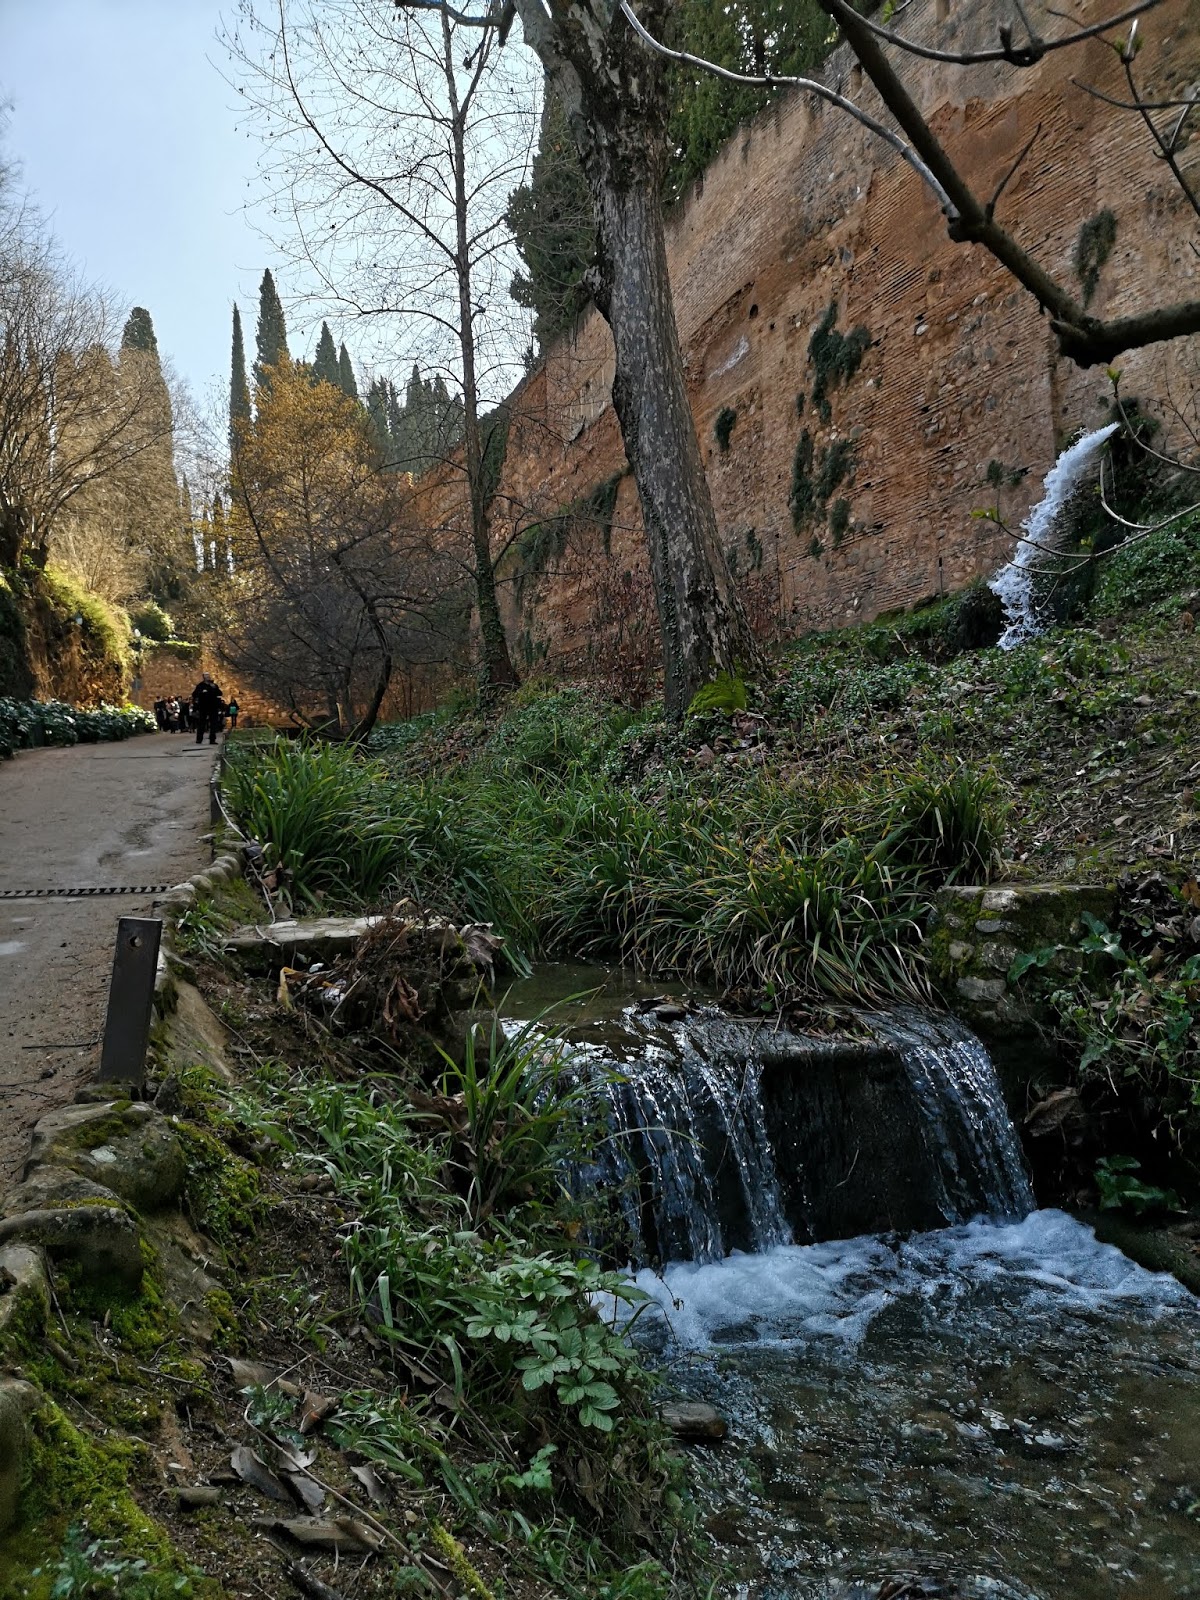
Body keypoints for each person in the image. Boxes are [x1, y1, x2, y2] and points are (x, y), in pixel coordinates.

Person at [191, 673, 224, 746]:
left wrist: (214, 688)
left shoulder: (214, 685)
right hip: (203, 707)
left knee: (213, 724)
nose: (208, 677)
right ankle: (199, 739)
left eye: (209, 676)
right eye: (206, 676)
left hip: (213, 707)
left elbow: (220, 693)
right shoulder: (200, 686)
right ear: (203, 677)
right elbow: (194, 694)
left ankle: (212, 739)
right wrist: (202, 693)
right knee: (201, 723)